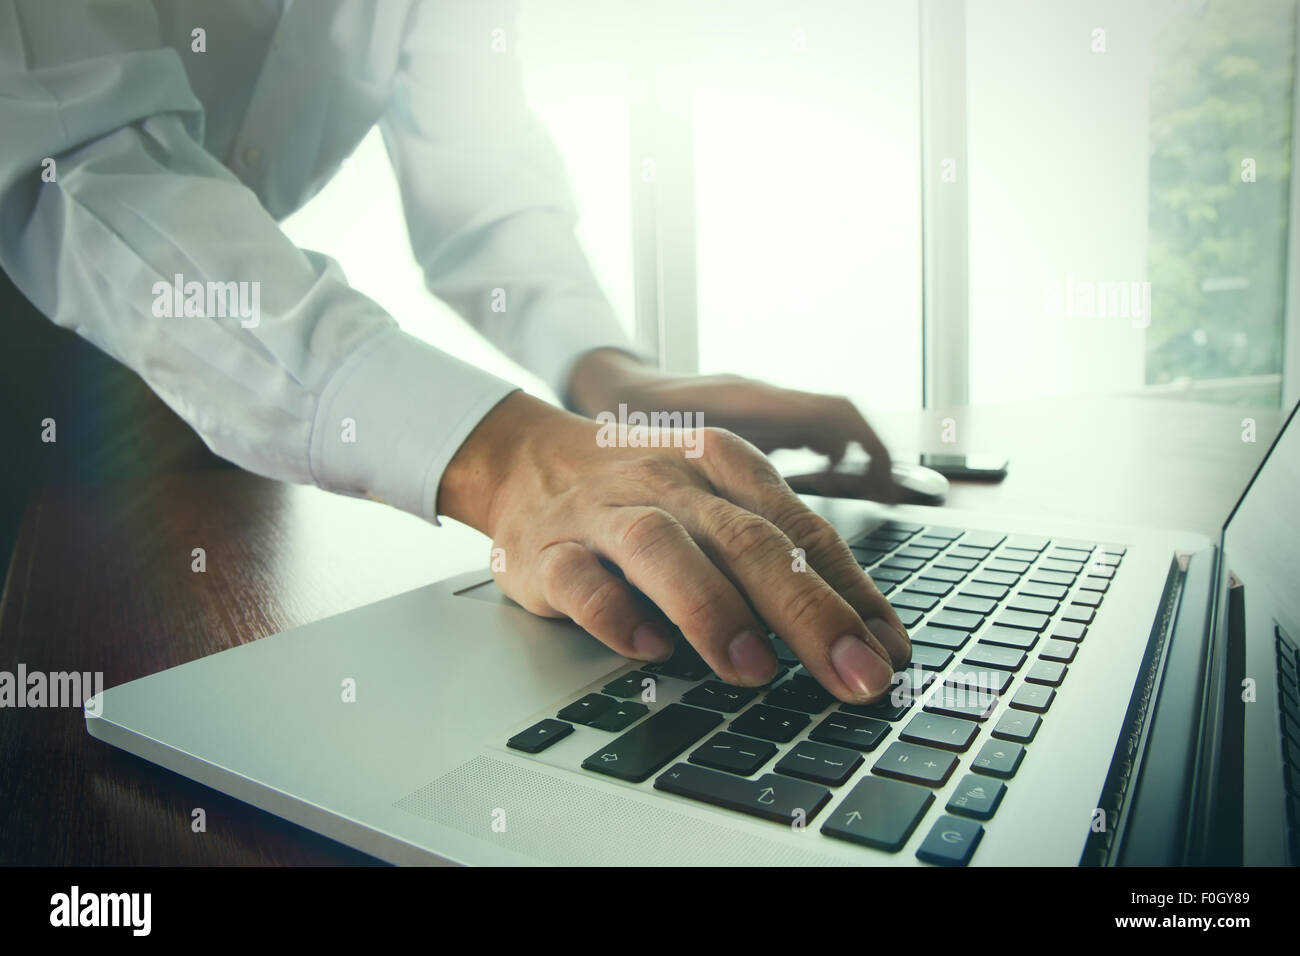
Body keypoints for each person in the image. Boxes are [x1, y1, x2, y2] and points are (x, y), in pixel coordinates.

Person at [0, 0, 910, 702]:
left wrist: (611, 377)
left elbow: (479, 179)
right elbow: (81, 158)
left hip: (241, 379)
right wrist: (510, 459)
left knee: (195, 685)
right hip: (32, 339)